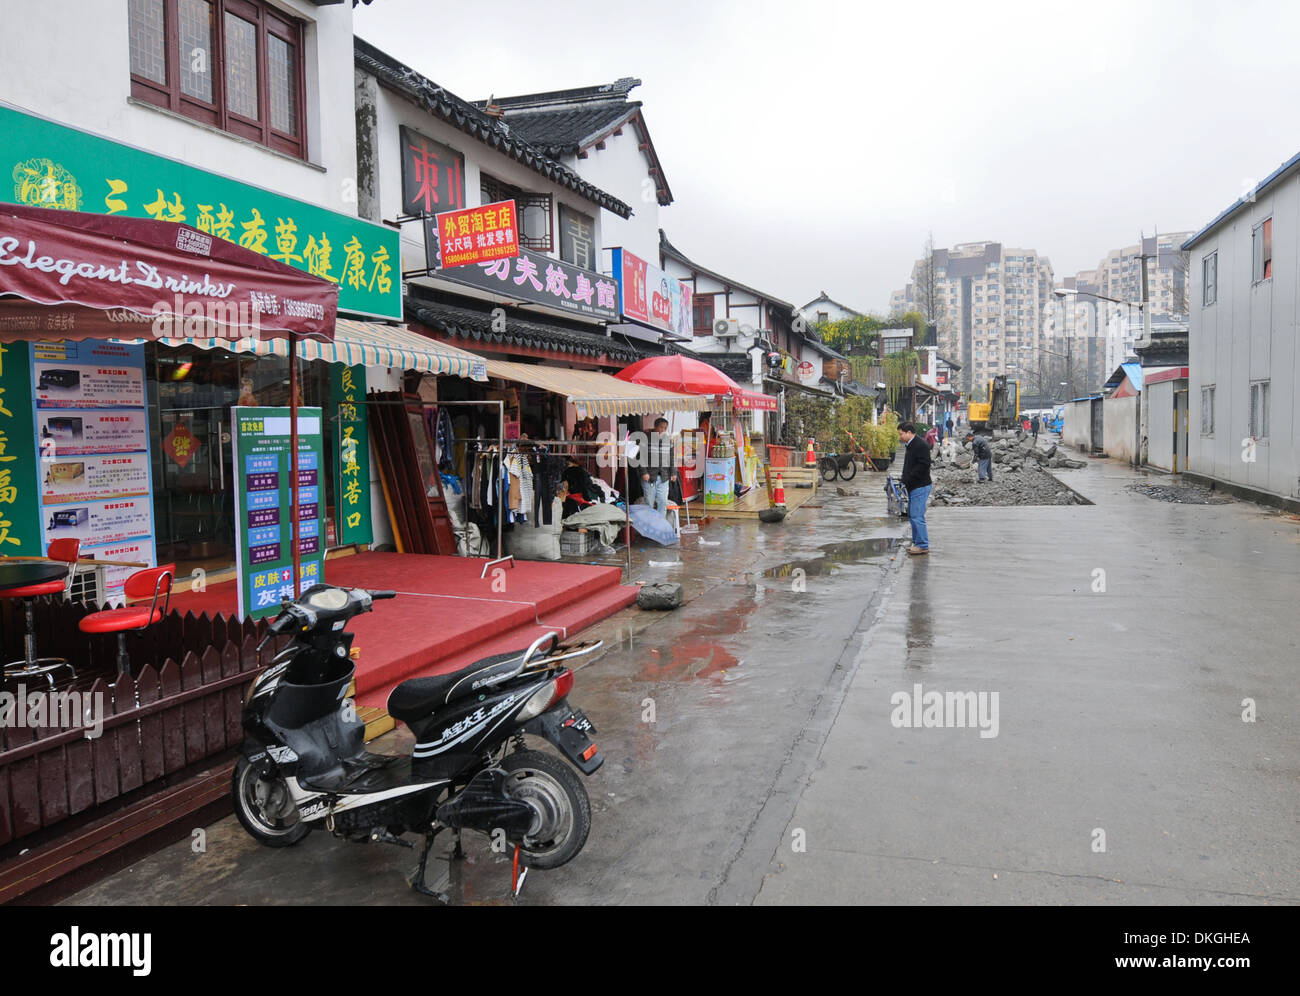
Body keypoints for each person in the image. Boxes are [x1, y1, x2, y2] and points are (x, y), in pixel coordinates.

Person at [898, 422, 931, 556]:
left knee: (917, 516)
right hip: (914, 485)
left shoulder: (920, 445)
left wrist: (910, 478)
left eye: (901, 434)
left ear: (909, 432)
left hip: (920, 485)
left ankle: (922, 545)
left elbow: (924, 465)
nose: (900, 436)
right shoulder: (911, 445)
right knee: (913, 516)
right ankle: (918, 543)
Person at [638, 416, 676, 518]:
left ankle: (660, 526)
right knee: (649, 503)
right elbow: (641, 457)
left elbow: (671, 458)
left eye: (665, 428)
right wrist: (644, 472)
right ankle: (650, 528)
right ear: (655, 427)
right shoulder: (646, 439)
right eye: (661, 427)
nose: (662, 430)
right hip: (649, 476)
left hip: (664, 476)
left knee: (662, 502)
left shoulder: (669, 441)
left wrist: (673, 472)